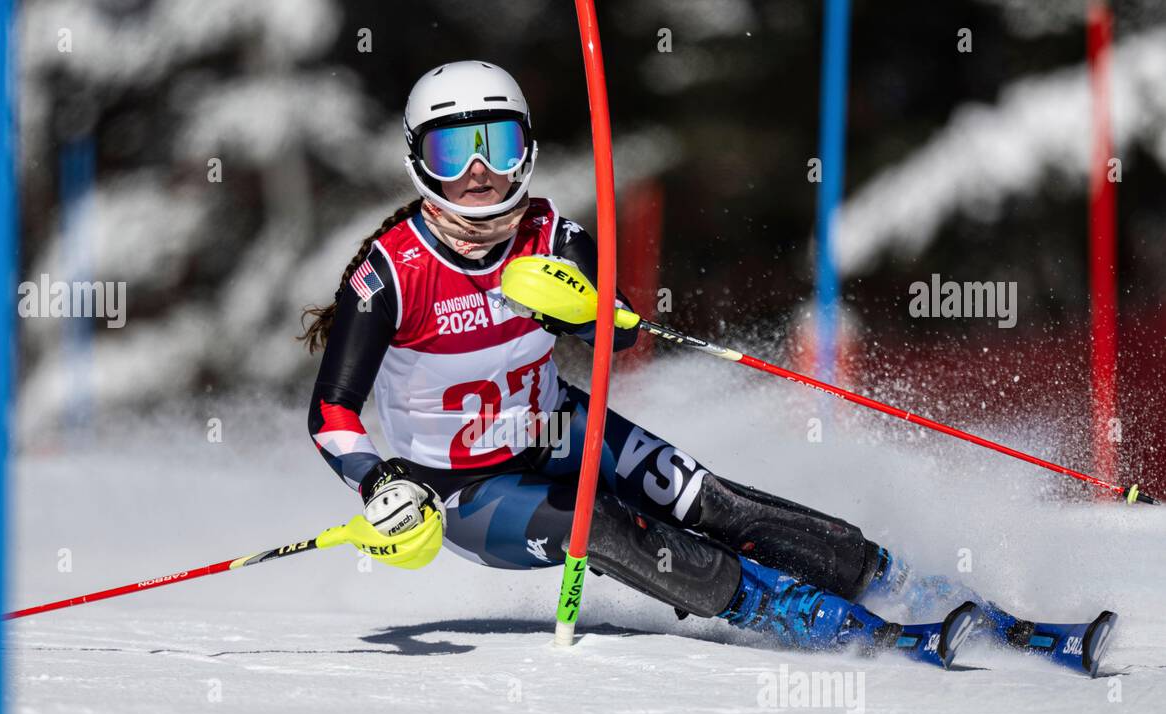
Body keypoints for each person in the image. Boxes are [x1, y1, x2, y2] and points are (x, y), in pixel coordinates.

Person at [299, 60, 1088, 668]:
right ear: (417, 163)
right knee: (600, 529)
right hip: (466, 488)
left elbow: (620, 335)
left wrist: (589, 312)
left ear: (527, 153)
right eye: (453, 151)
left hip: (554, 426)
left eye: (497, 147)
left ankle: (911, 587)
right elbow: (330, 412)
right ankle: (811, 622)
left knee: (707, 500)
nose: (479, 174)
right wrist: (379, 479)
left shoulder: (553, 234)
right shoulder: (390, 274)